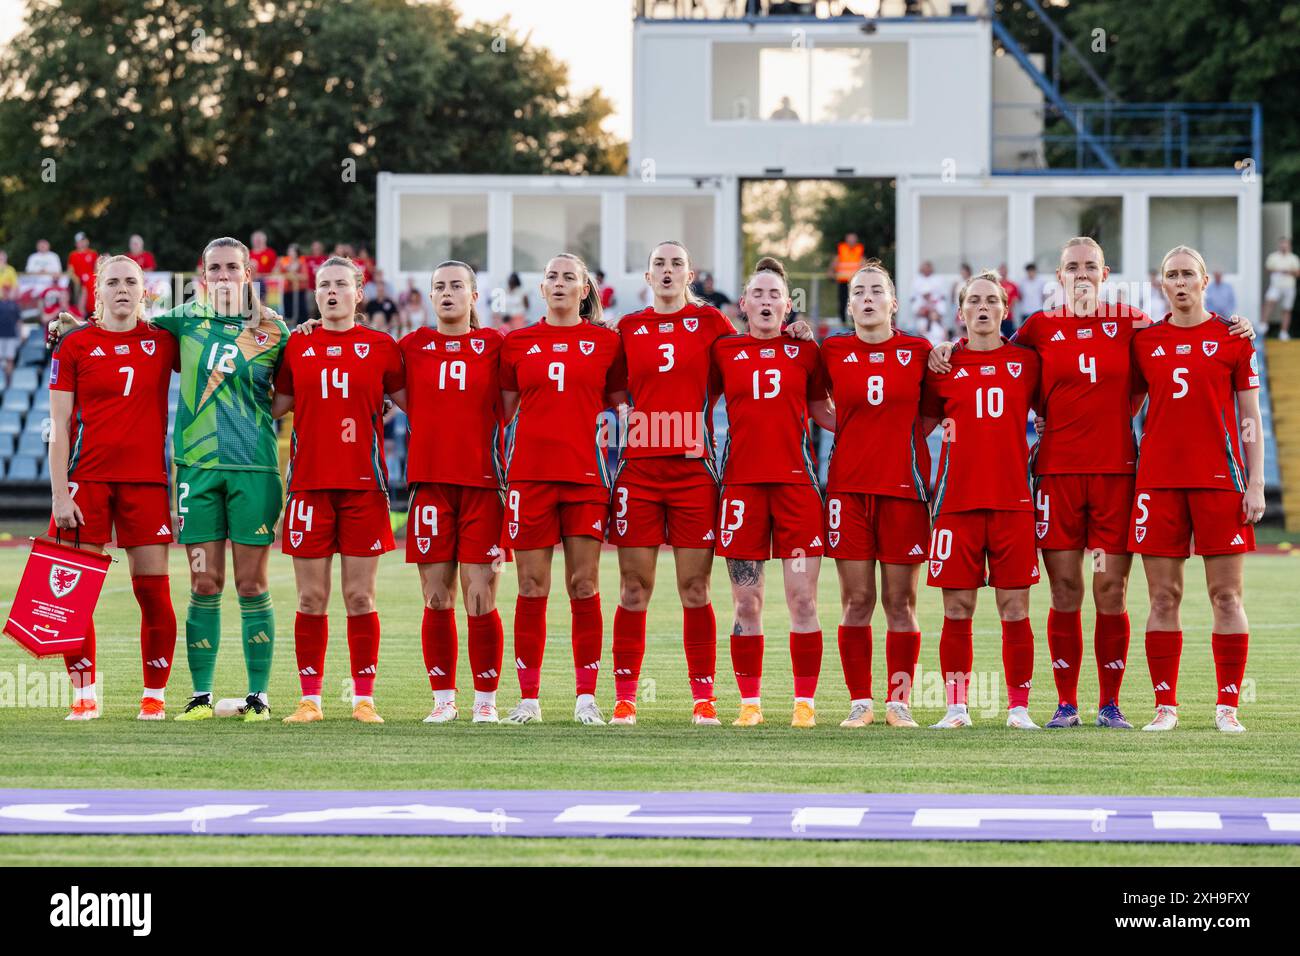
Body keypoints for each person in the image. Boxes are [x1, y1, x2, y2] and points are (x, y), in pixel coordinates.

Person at [929, 237, 1257, 729]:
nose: (1081, 274)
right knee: (1064, 589)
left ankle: (1110, 703)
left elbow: (1158, 379)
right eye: (1071, 267)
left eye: (1091, 267)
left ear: (1106, 275)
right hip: (1056, 478)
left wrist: (1239, 327)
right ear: (1058, 277)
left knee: (1110, 589)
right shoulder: (1037, 329)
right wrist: (947, 348)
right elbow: (989, 352)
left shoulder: (1133, 325)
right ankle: (1065, 705)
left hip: (1117, 478)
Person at [151, 238, 288, 722]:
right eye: (215, 268)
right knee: (204, 582)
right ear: (203, 275)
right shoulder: (179, 319)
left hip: (254, 470)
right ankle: (201, 696)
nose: (224, 275)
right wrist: (76, 327)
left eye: (233, 267)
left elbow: (294, 390)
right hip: (196, 470)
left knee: (251, 584)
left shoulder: (275, 328)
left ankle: (258, 697)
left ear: (248, 273)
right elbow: (121, 331)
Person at [1129, 246, 1264, 733]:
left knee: (1226, 595)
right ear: (1161, 284)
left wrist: (1255, 482)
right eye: (1171, 275)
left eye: (1188, 273)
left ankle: (1227, 707)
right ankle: (1166, 707)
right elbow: (1121, 404)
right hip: (1159, 483)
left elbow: (1250, 417)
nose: (1180, 281)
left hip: (1220, 483)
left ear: (1206, 280)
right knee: (1163, 598)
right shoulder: (1144, 342)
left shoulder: (1233, 338)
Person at [46, 256, 179, 720]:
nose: (122, 288)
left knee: (153, 592)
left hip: (146, 481)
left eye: (130, 281)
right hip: (86, 480)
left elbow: (222, 335)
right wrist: (61, 493)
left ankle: (154, 697)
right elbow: (59, 425)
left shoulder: (165, 342)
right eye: (112, 282)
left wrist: (280, 323)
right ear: (97, 290)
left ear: (145, 291)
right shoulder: (74, 345)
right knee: (74, 595)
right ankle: (84, 695)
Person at [497, 253, 628, 725]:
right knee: (532, 586)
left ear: (585, 289)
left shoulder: (606, 343)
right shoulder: (517, 343)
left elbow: (625, 405)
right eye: (551, 275)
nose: (558, 283)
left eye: (568, 277)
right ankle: (528, 699)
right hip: (529, 478)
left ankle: (586, 698)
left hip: (585, 478)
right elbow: (502, 412)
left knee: (584, 584)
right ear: (541, 287)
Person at [272, 257, 403, 724]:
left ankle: (363, 698)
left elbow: (420, 402)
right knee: (310, 599)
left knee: (360, 598)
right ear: (315, 294)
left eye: (340, 285)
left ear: (358, 293)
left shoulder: (382, 347)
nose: (331, 292)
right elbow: (273, 405)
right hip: (308, 486)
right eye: (323, 285)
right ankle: (310, 699)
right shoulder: (297, 345)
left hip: (364, 488)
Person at [711, 257, 836, 728]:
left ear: (788, 305)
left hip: (797, 491)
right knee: (747, 602)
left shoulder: (807, 352)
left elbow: (825, 412)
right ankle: (750, 703)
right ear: (743, 305)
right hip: (741, 491)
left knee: (803, 600)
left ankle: (804, 703)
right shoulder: (723, 351)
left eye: (774, 295)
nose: (765, 302)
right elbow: (695, 401)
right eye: (757, 295)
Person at [921, 270, 1042, 730]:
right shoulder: (943, 367)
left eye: (992, 300)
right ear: (961, 312)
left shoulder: (1028, 363)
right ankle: (956, 707)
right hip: (955, 504)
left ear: (1005, 310)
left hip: (1013, 503)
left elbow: (1050, 417)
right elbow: (920, 429)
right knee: (957, 610)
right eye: (974, 300)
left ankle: (1018, 708)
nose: (984, 307)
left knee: (1015, 609)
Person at [821, 260, 931, 729]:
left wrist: (899, 440)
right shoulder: (831, 351)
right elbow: (810, 402)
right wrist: (848, 430)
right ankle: (861, 701)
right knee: (857, 600)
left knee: (901, 602)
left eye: (876, 291)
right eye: (859, 292)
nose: (867, 298)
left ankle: (899, 701)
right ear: (850, 305)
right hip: (848, 491)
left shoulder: (920, 350)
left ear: (893, 303)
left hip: (904, 490)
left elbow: (932, 415)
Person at [397, 261, 507, 724]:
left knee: (480, 596)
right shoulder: (409, 347)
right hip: (430, 486)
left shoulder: (497, 346)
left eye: (456, 286)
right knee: (436, 596)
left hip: (483, 486)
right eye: (438, 286)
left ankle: (486, 701)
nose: (447, 294)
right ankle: (443, 700)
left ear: (474, 296)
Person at [1262, 236, 1299, 340]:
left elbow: (1297, 273)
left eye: (1286, 243)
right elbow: (1268, 269)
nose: (1284, 245)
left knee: (1286, 309)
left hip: (1289, 287)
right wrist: (1278, 270)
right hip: (1276, 286)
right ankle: (1263, 325)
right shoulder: (1273, 257)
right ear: (1279, 244)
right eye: (1282, 243)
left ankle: (1284, 332)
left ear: (1289, 245)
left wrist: (1288, 272)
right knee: (1269, 303)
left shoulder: (1293, 258)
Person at [828, 232, 865, 323]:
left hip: (856, 283)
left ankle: (855, 323)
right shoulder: (841, 250)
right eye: (850, 239)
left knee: (856, 302)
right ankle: (842, 323)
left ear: (856, 240)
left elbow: (864, 264)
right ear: (846, 240)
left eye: (853, 239)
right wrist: (831, 273)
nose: (851, 241)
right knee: (842, 303)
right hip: (843, 282)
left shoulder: (859, 250)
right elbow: (834, 264)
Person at [911, 260, 946, 337]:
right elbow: (914, 305)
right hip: (922, 320)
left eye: (928, 267)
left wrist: (933, 311)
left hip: (936, 321)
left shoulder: (937, 280)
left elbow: (942, 306)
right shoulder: (917, 281)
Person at [277, 243, 310, 326]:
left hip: (298, 291)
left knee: (300, 311)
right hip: (287, 291)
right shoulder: (284, 262)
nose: (290, 253)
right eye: (289, 251)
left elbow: (305, 276)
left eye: (292, 251)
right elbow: (277, 272)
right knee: (288, 311)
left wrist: (294, 275)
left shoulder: (301, 262)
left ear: (297, 253)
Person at [67, 232, 99, 317]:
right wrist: (76, 279)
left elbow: (96, 268)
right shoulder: (73, 255)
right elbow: (70, 271)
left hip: (91, 280)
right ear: (76, 243)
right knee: (76, 286)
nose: (82, 243)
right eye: (80, 241)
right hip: (78, 280)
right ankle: (78, 311)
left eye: (84, 240)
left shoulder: (93, 253)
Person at [996, 263, 1020, 336]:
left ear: (1007, 271)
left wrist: (1006, 311)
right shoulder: (995, 285)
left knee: (1008, 339)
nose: (1003, 271)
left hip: (1008, 317)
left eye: (1004, 269)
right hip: (996, 317)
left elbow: (1015, 300)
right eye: (1001, 270)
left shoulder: (1013, 285)